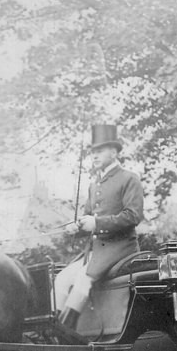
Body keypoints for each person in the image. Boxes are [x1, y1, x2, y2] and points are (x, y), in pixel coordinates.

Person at [56, 124, 144, 330]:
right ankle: (53, 333)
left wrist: (96, 223)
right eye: (92, 152)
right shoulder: (94, 184)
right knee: (60, 280)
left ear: (114, 152)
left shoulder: (129, 178)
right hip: (95, 251)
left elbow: (133, 216)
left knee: (83, 281)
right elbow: (87, 218)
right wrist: (76, 227)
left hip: (120, 247)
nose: (94, 156)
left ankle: (66, 336)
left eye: (100, 151)